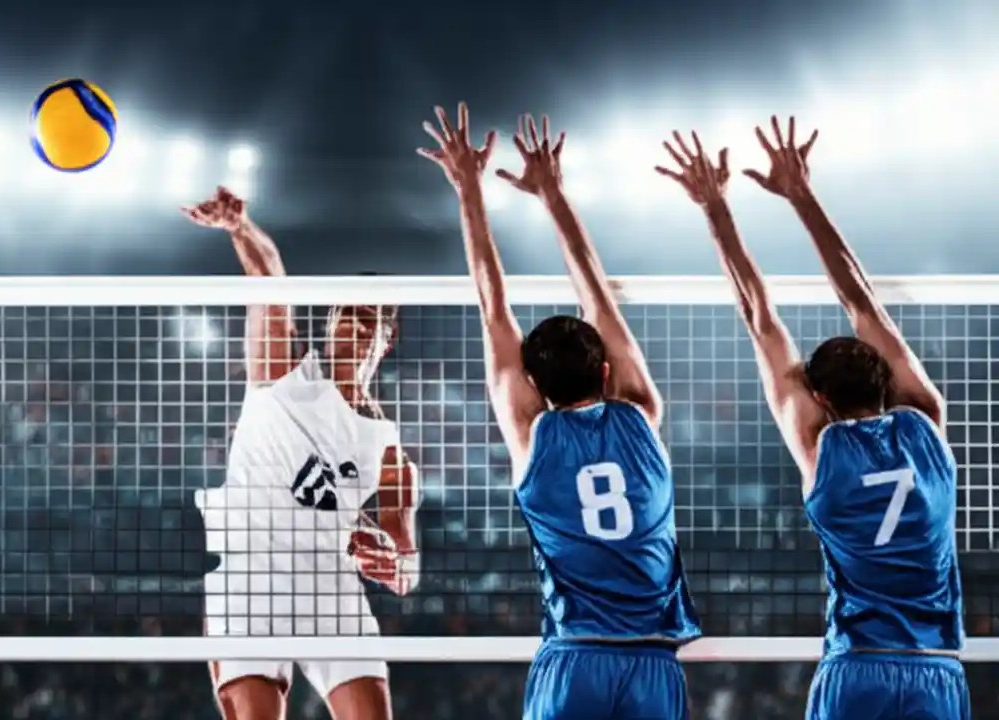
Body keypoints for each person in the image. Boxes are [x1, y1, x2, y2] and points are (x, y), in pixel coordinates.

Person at [656, 117, 968, 720]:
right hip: (934, 668)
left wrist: (715, 208)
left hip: (857, 668)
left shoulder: (818, 445)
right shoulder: (926, 422)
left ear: (820, 398)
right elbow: (862, 300)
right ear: (888, 383)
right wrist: (802, 194)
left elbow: (760, 317)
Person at [418, 104, 700, 720]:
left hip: (575, 659)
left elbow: (493, 305)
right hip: (652, 659)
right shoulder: (641, 413)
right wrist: (553, 194)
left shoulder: (531, 432)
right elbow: (598, 297)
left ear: (534, 387)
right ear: (606, 373)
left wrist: (468, 189)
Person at [182, 187, 420, 720]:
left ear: (387, 338)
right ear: (329, 322)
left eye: (370, 317)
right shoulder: (281, 373)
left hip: (330, 590)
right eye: (345, 313)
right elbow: (269, 280)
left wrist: (391, 560)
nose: (354, 323)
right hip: (248, 583)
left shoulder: (391, 451)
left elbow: (406, 567)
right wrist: (241, 227)